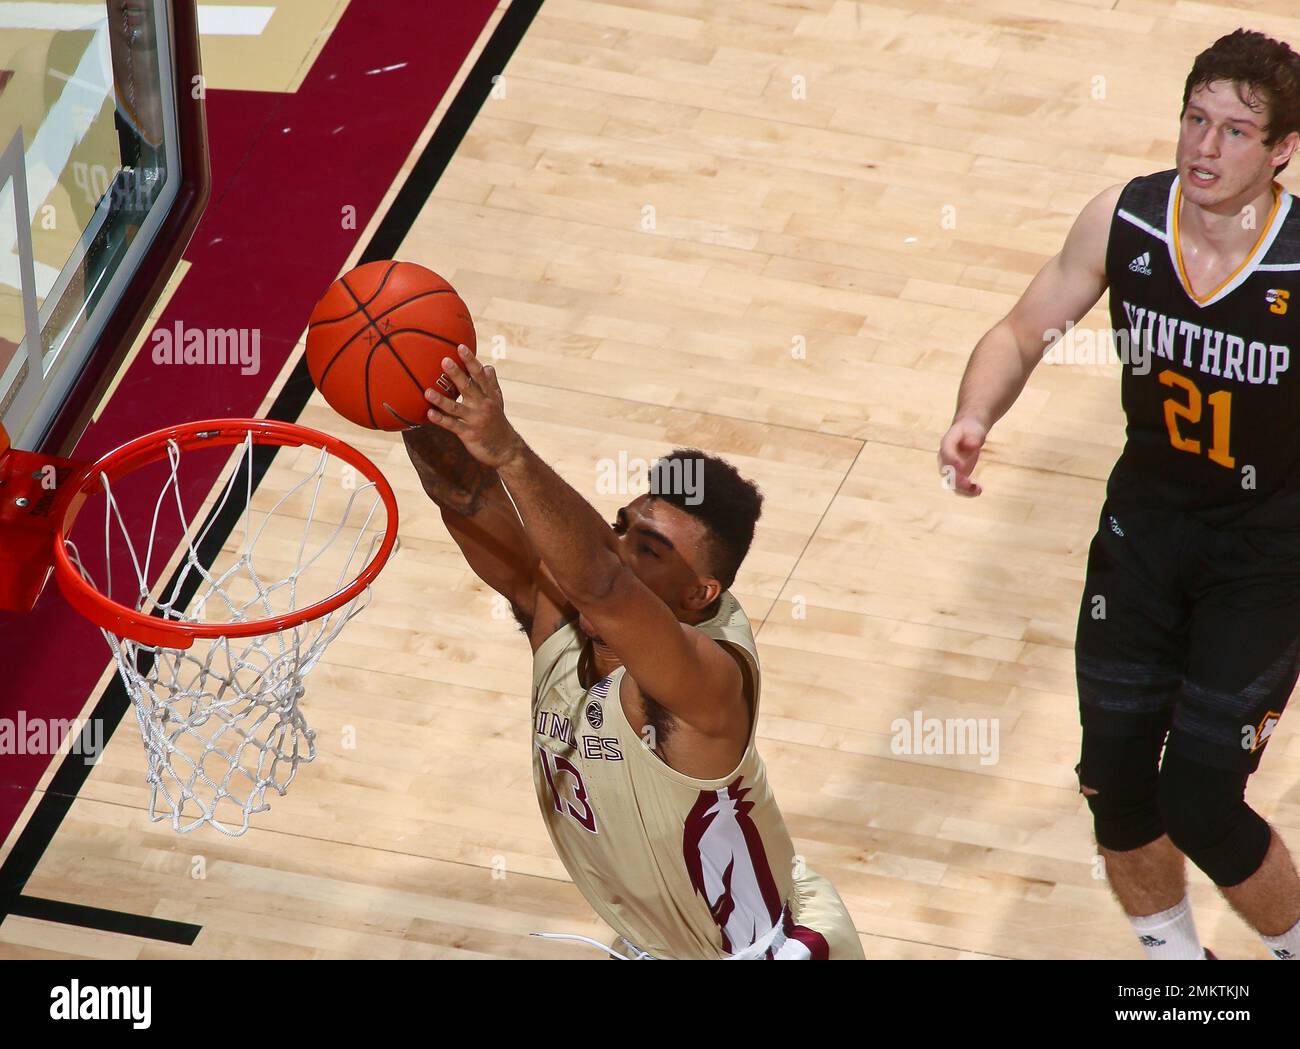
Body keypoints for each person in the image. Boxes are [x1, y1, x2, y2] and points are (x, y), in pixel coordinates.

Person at [938, 28, 1300, 961]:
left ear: (1282, 151)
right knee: (1115, 782)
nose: (1204, 148)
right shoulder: (1126, 220)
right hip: (1144, 531)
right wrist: (974, 416)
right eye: (1195, 120)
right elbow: (1023, 329)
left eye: (1233, 131)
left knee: (1202, 800)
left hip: (1266, 553)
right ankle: (1182, 977)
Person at [400, 345, 863, 960]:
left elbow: (602, 582)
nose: (618, 550)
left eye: (649, 550)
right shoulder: (565, 623)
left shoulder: (710, 683)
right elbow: (465, 497)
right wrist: (416, 398)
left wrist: (509, 450)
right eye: (622, 527)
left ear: (700, 594)